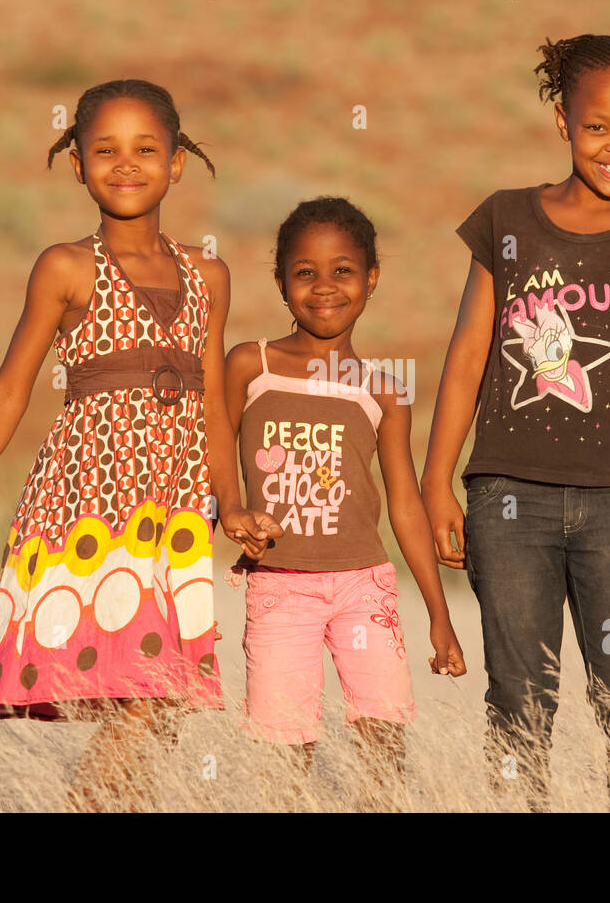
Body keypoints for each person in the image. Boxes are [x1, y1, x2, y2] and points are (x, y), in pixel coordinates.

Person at [0, 78, 276, 810]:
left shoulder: (209, 275)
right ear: (76, 164)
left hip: (175, 516)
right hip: (91, 508)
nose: (125, 164)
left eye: (144, 149)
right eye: (104, 150)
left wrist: (233, 503)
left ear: (177, 164)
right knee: (148, 695)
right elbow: (11, 388)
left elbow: (215, 408)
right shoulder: (65, 267)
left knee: (161, 701)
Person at [420, 34, 610, 812]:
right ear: (561, 120)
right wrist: (435, 480)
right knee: (518, 700)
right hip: (508, 501)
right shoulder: (506, 218)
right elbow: (468, 354)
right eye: (598, 127)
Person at [224, 197, 467, 804]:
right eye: (304, 272)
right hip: (279, 587)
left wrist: (439, 616)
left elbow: (405, 503)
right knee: (284, 750)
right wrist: (227, 513)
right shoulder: (250, 365)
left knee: (384, 740)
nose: (324, 287)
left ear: (371, 280)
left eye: (343, 271)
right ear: (281, 283)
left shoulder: (384, 391)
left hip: (366, 587)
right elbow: (208, 453)